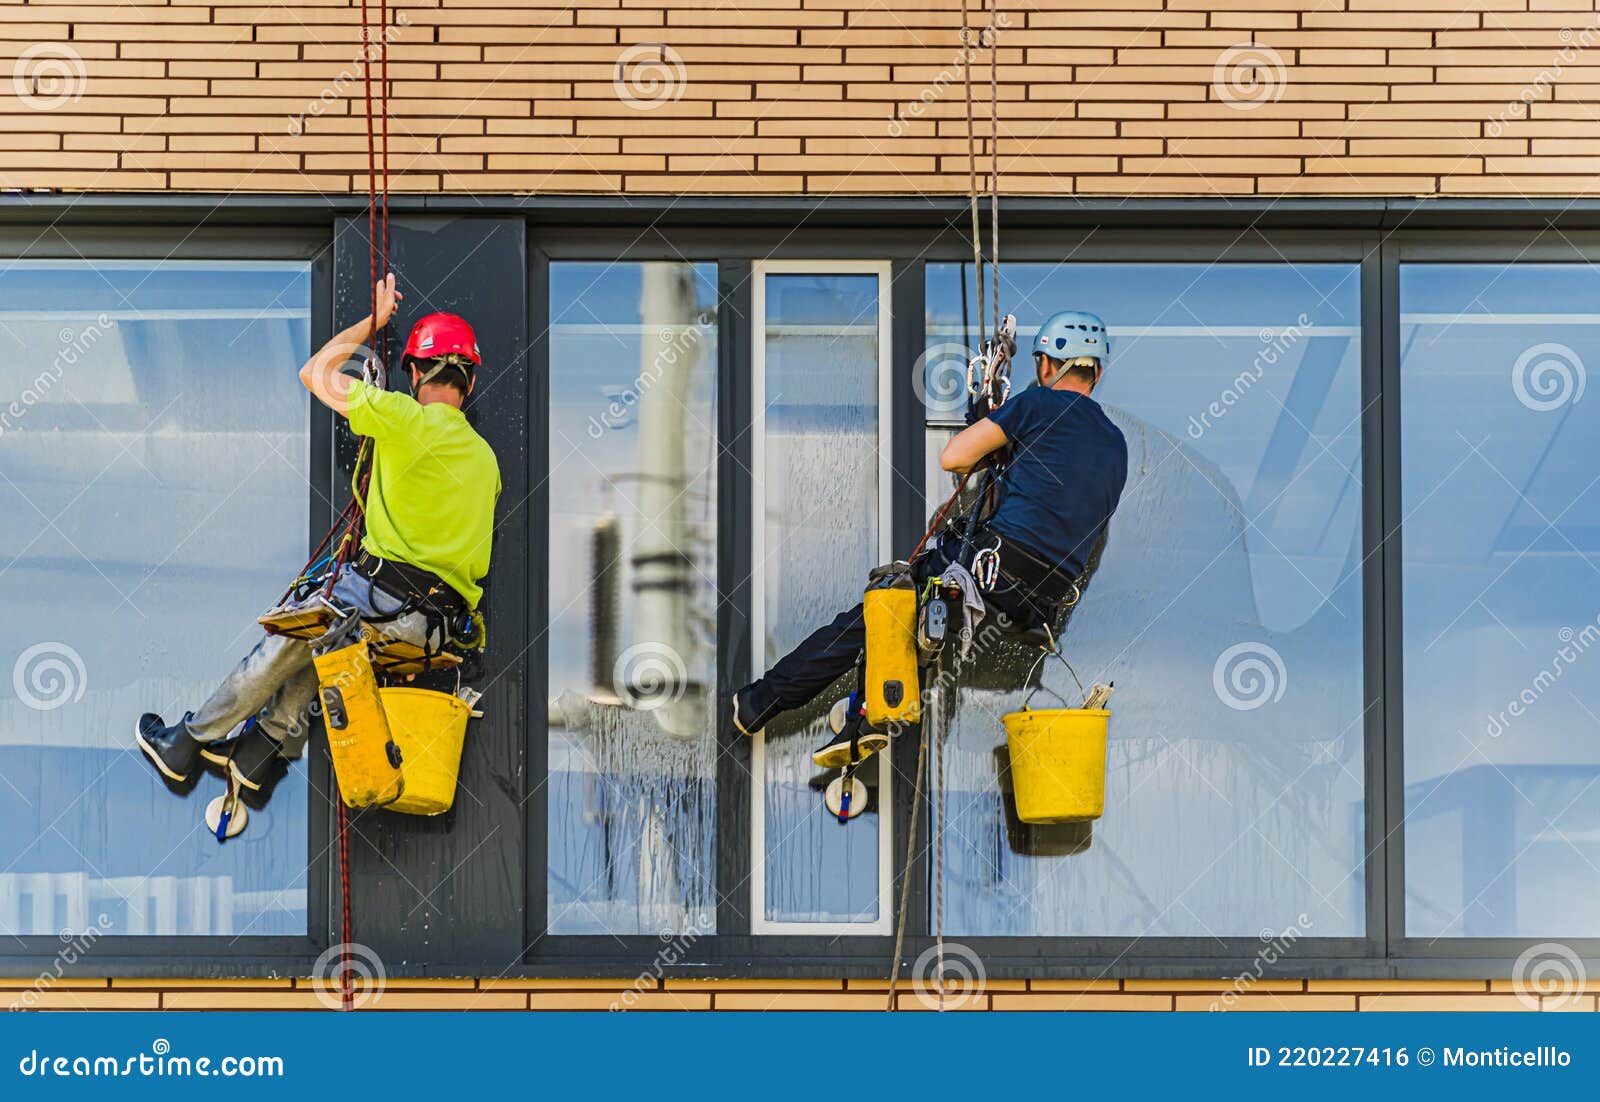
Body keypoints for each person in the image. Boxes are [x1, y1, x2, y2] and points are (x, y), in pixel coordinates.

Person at [135, 274, 502, 802]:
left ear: (417, 371)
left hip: (384, 599)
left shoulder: (400, 417)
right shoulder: (487, 461)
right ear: (468, 379)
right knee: (331, 637)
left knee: (296, 629)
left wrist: (374, 323)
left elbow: (316, 372)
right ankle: (258, 751)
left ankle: (190, 741)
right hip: (433, 632)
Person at [731, 310, 1128, 767]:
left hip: (993, 564)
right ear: (1095, 371)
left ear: (1046, 365)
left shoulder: (1036, 405)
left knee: (880, 611)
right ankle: (863, 718)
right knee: (920, 631)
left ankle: (761, 703)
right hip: (1044, 599)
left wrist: (991, 428)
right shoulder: (1115, 444)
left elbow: (953, 458)